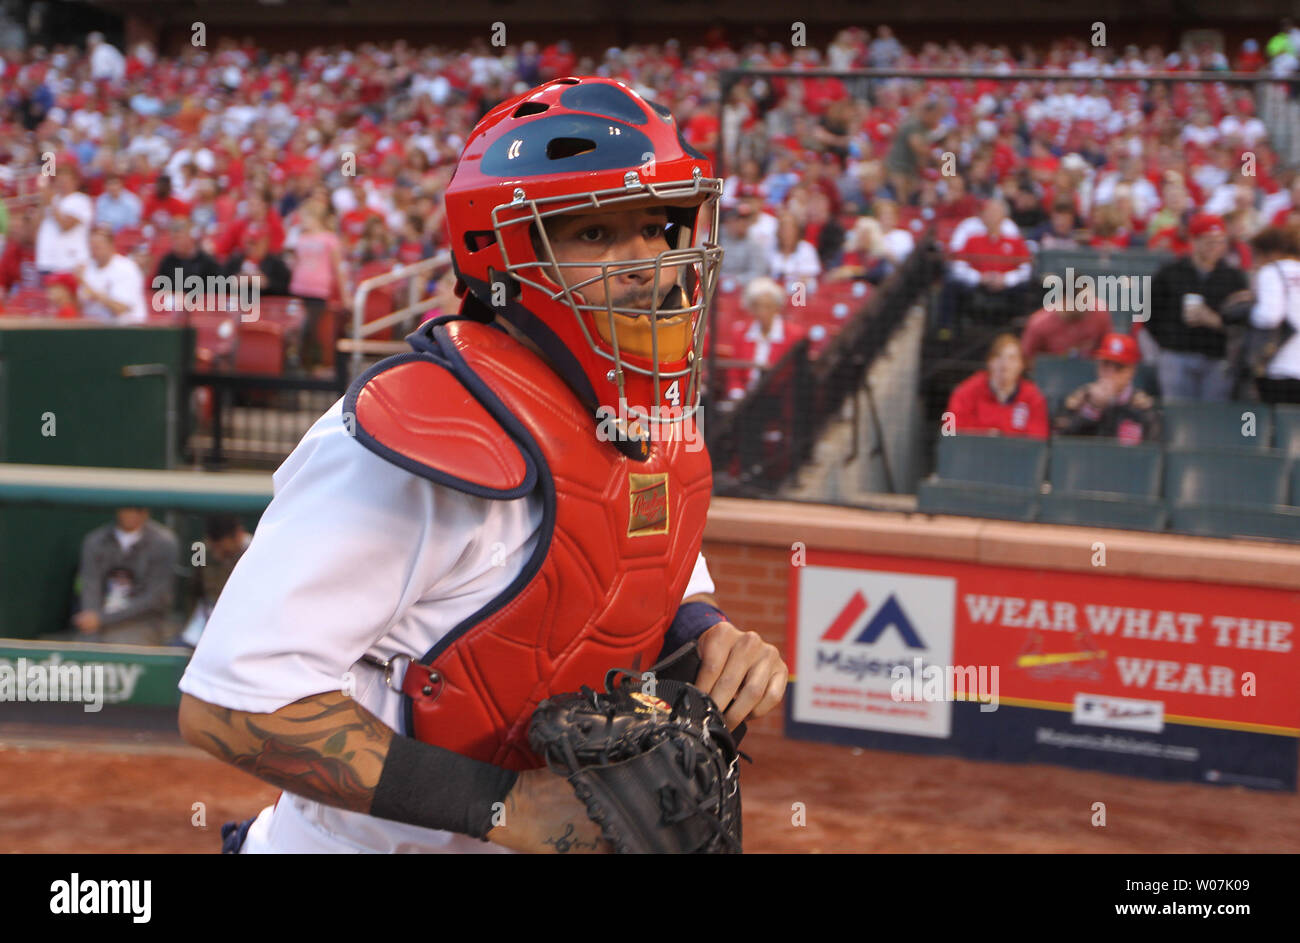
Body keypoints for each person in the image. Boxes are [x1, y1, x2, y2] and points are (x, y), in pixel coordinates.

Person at [176, 77, 788, 855]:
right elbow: (235, 702)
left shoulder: (641, 412)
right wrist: (508, 806)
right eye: (596, 235)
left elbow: (638, 570)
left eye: (659, 225)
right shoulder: (416, 438)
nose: (650, 264)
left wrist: (711, 636)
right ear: (505, 254)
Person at [1147, 214, 1251, 402]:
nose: (1215, 247)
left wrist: (1214, 320)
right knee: (1177, 413)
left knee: (1212, 417)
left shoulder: (1233, 277)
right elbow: (1149, 314)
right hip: (1177, 354)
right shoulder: (1170, 272)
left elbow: (1243, 322)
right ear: (1194, 241)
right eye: (1209, 242)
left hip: (1217, 356)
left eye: (1220, 242)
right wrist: (1168, 342)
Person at [72, 507, 180, 645]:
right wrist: (92, 617)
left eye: (137, 509)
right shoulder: (95, 540)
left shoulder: (163, 542)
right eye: (127, 509)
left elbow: (155, 599)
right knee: (82, 648)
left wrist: (102, 619)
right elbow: (90, 585)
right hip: (97, 619)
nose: (131, 514)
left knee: (123, 645)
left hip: (141, 622)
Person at [1054, 333, 1160, 444]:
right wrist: (1092, 410)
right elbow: (1060, 442)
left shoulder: (1143, 408)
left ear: (1131, 371)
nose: (1110, 372)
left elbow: (1151, 453)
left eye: (1119, 367)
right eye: (1105, 364)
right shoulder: (1079, 399)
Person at [945, 333, 1049, 438]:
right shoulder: (965, 392)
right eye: (998, 357)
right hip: (974, 452)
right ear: (989, 362)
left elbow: (1038, 438)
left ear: (1021, 365)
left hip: (1016, 453)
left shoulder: (1034, 397)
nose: (1004, 365)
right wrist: (986, 435)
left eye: (1012, 358)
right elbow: (948, 431)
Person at [288, 202, 350, 372]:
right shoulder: (300, 238)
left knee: (312, 328)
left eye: (305, 217)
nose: (302, 221)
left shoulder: (330, 239)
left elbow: (339, 268)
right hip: (299, 288)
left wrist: (345, 295)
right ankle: (303, 365)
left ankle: (314, 365)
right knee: (300, 328)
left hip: (319, 289)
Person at [723, 276, 807, 400]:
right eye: (757, 306)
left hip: (777, 399)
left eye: (768, 306)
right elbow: (734, 372)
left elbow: (794, 377)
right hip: (745, 399)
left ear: (777, 307)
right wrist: (737, 393)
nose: (762, 312)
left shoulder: (794, 334)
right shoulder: (740, 332)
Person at [1244, 226, 1300, 403]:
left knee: (1277, 426)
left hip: (1281, 366)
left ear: (1269, 253)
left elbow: (1269, 316)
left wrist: (1249, 311)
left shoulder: (1271, 272)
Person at [78, 228, 147, 323]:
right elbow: (80, 305)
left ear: (111, 246)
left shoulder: (126, 268)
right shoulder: (87, 268)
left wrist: (85, 283)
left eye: (98, 247)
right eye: (91, 247)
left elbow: (119, 309)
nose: (93, 251)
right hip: (95, 327)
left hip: (127, 328)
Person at [35, 167, 94, 275]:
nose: (62, 184)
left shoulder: (81, 200)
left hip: (70, 262)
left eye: (65, 181)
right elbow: (36, 226)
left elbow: (65, 226)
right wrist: (43, 201)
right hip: (47, 261)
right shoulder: (53, 199)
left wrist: (51, 203)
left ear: (75, 182)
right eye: (59, 181)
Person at [1020, 301, 1113, 367]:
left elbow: (1108, 352)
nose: (1084, 305)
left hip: (1091, 375)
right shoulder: (1039, 323)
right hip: (1052, 379)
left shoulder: (1099, 313)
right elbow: (1026, 358)